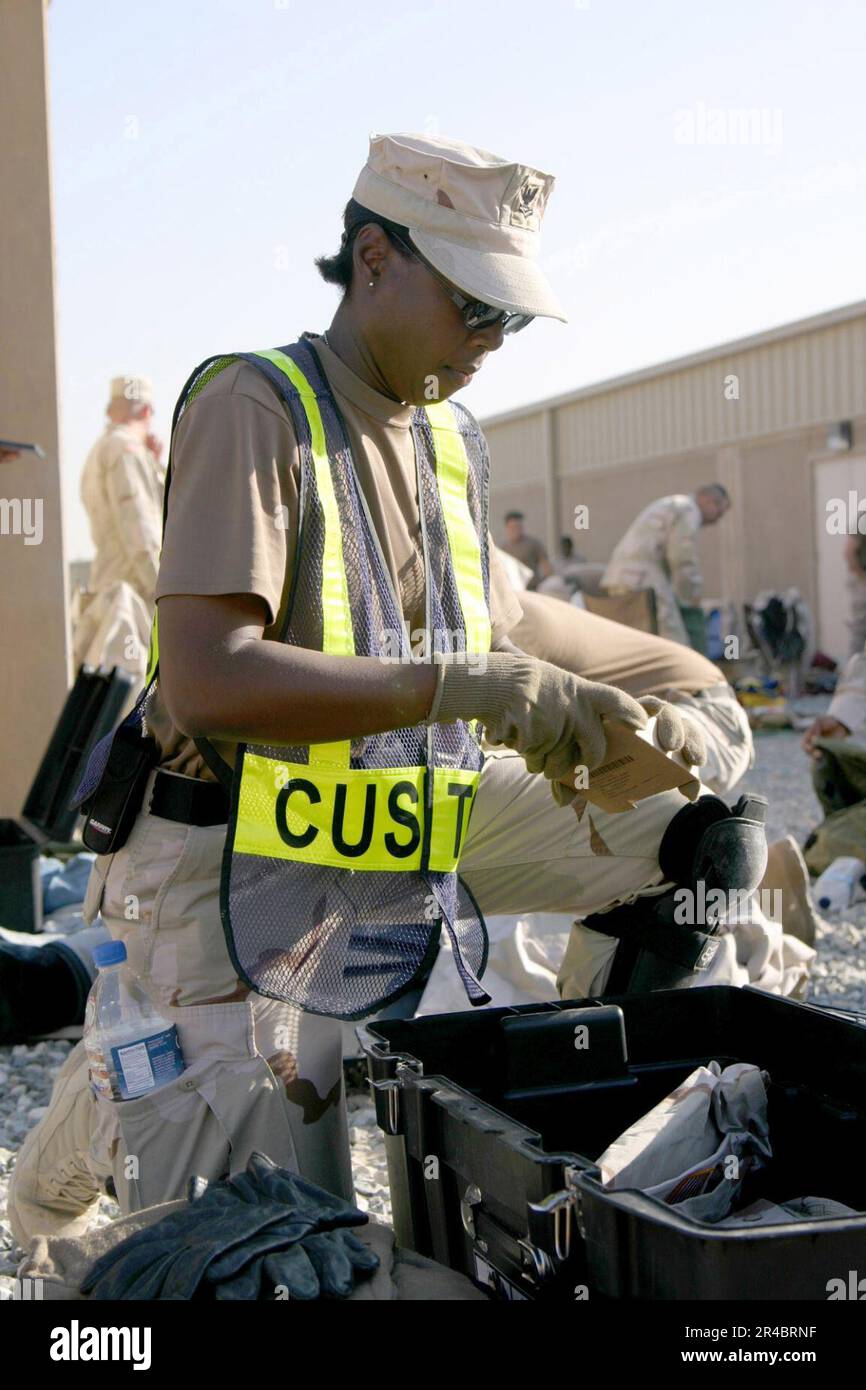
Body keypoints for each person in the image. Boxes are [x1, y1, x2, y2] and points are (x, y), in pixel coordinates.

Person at [8, 132, 763, 1249]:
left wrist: (676, 687)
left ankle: (582, 1142)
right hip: (231, 851)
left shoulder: (448, 440)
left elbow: (517, 619)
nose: (489, 342)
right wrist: (476, 687)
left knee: (699, 843)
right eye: (471, 307)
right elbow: (214, 680)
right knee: (272, 1240)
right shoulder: (257, 404)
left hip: (390, 823)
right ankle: (104, 1105)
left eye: (507, 318)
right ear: (372, 259)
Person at [73, 376, 164, 690]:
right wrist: (165, 593)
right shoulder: (124, 450)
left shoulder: (102, 450)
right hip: (133, 601)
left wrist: (154, 464)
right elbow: (142, 533)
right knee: (132, 712)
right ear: (147, 412)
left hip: (112, 595)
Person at [602, 486, 730, 645]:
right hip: (644, 585)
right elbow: (682, 559)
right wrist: (692, 597)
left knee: (631, 644)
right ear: (707, 500)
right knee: (674, 647)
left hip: (618, 580)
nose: (716, 520)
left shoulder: (672, 504)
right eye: (718, 513)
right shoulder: (689, 509)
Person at [500, 510, 553, 589]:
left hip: (532, 588)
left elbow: (546, 567)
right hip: (512, 590)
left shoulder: (533, 544)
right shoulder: (503, 549)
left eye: (518, 527)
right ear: (507, 528)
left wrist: (544, 582)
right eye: (512, 527)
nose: (515, 530)